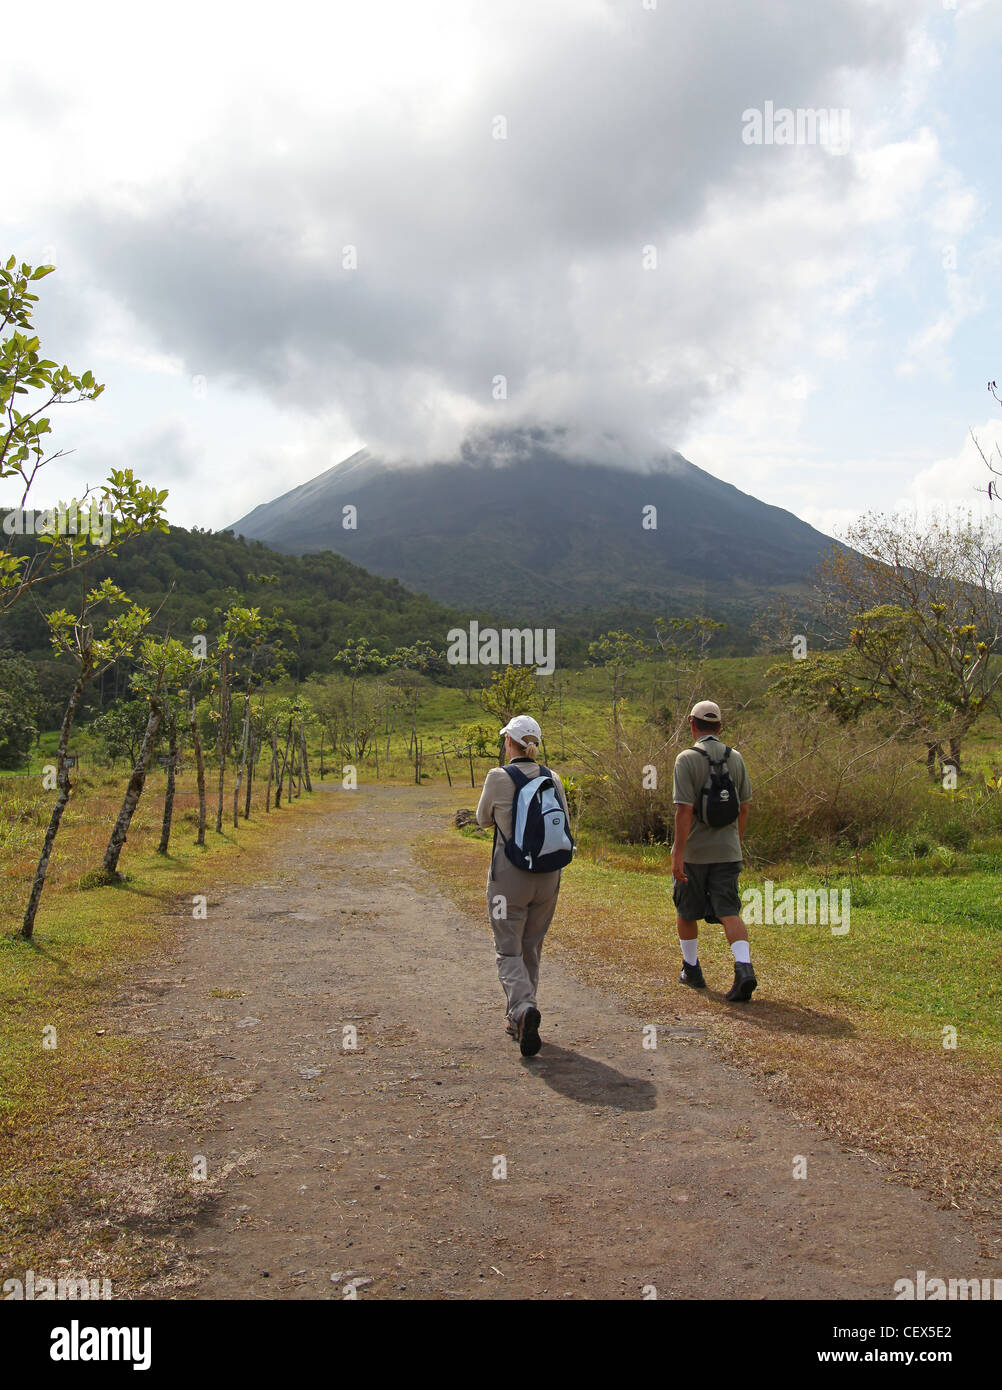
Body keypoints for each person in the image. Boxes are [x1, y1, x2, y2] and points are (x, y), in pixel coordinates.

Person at [475, 714, 571, 1056]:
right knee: (531, 946)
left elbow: (482, 819)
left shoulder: (498, 776)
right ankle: (519, 1015)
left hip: (508, 880)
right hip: (548, 878)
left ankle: (523, 1008)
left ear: (509, 743)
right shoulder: (553, 778)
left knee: (507, 949)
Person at [671, 699, 756, 1002]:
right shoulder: (737, 758)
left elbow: (684, 809)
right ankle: (744, 968)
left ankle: (692, 969)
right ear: (719, 727)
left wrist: (677, 852)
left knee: (686, 910)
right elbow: (744, 807)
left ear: (692, 724)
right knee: (730, 912)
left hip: (694, 853)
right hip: (728, 851)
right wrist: (736, 841)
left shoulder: (686, 759)